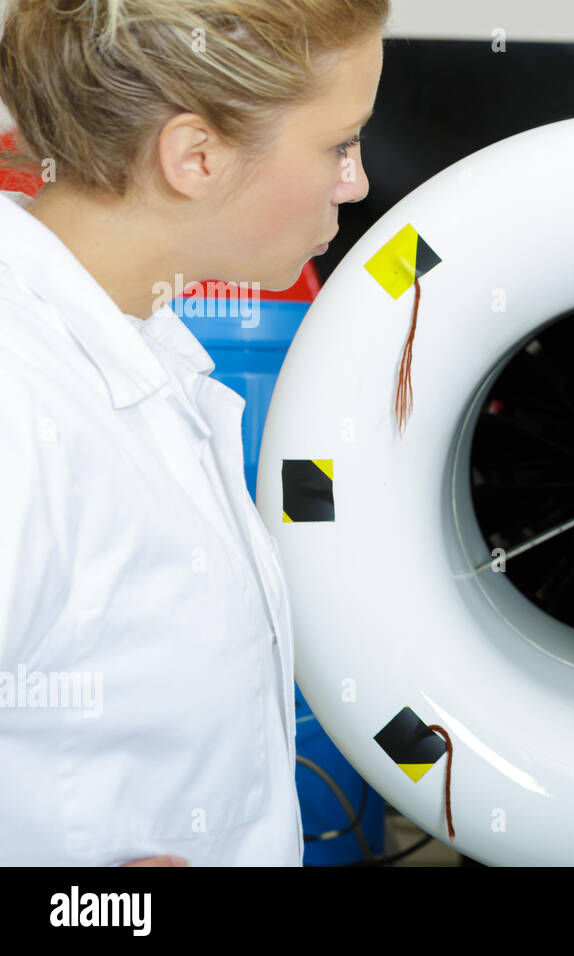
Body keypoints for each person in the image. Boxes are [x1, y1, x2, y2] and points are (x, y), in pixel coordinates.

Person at [0, 0, 387, 865]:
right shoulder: (17, 407)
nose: (355, 182)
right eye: (338, 143)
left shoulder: (142, 343)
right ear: (197, 156)